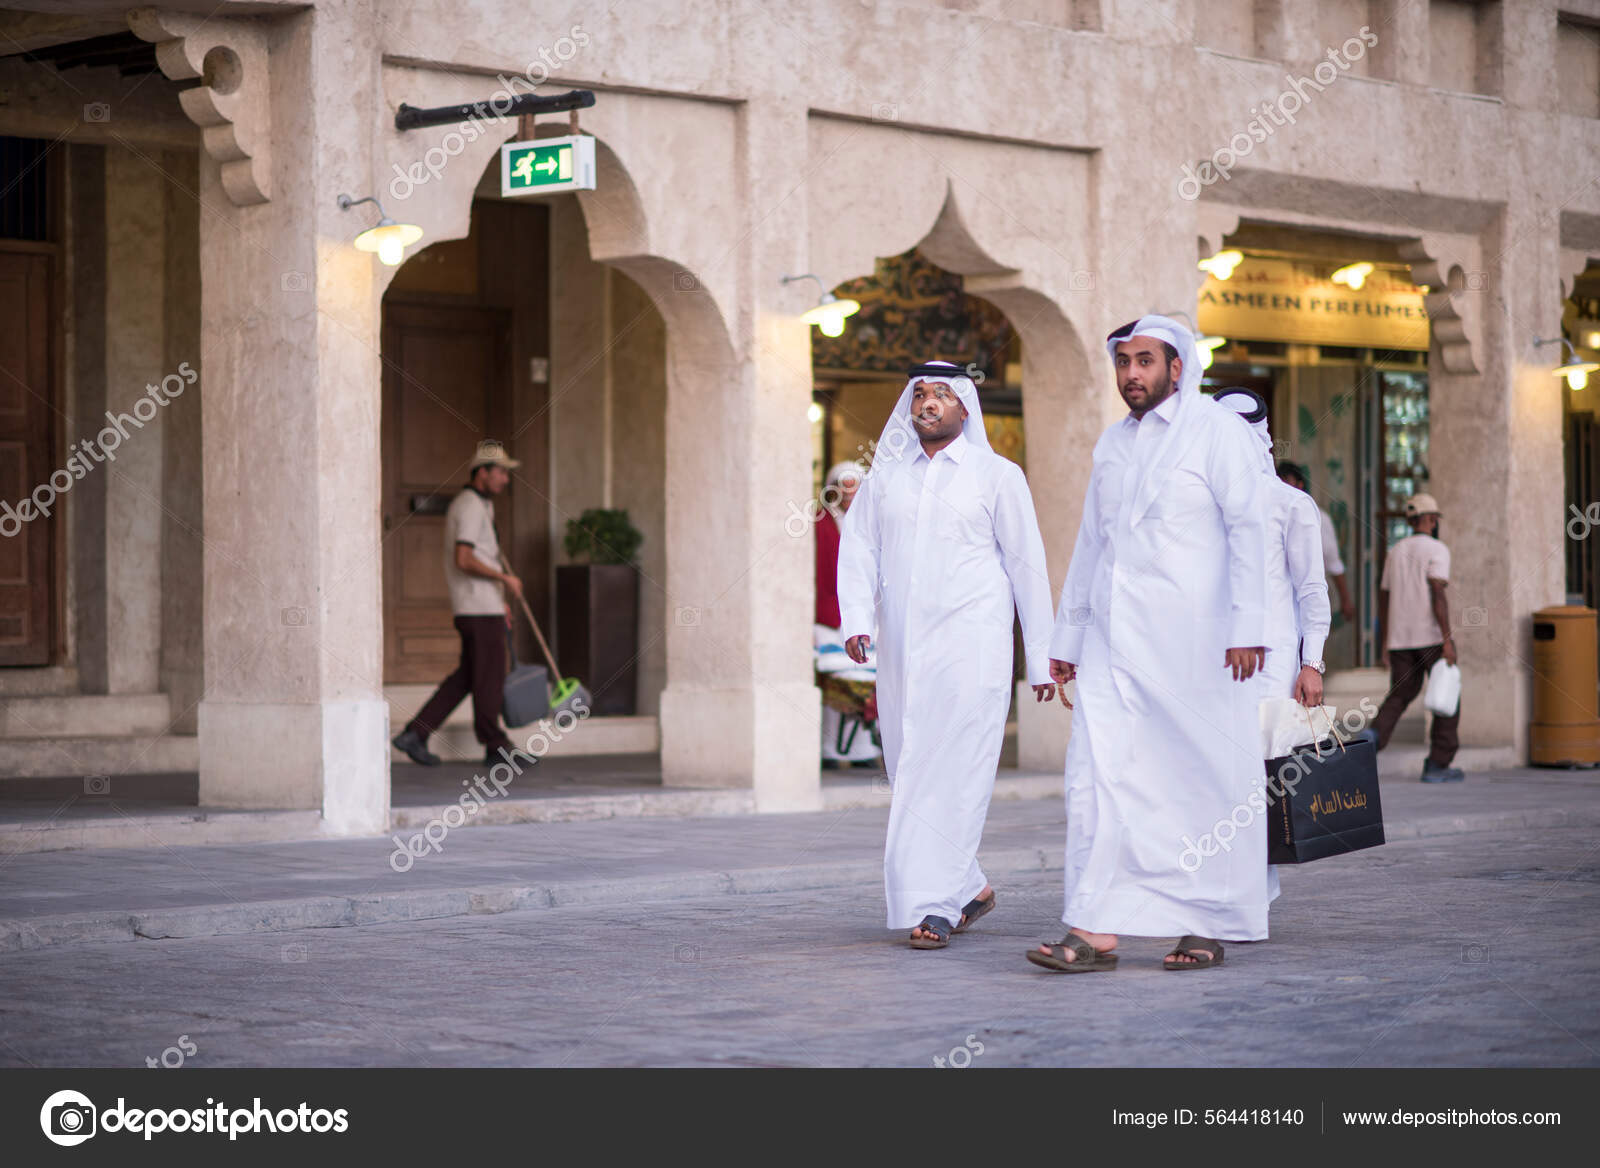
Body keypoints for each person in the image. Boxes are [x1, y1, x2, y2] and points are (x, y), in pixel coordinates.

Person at [1029, 315, 1268, 975]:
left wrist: (1248, 628)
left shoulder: (1217, 432)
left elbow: (1250, 529)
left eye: (1144, 361)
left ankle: (1205, 922)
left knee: (1196, 781)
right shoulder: (1112, 444)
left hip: (1198, 643)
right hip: (1112, 643)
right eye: (1123, 362)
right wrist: (1068, 635)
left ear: (1176, 367)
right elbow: (1091, 543)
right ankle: (1094, 927)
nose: (1131, 374)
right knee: (1096, 779)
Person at [837, 361, 1057, 950]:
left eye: (940, 395)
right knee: (911, 768)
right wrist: (856, 620)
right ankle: (971, 887)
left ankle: (935, 905)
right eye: (919, 395)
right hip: (903, 651)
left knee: (956, 770)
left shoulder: (997, 476)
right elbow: (859, 549)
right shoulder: (886, 478)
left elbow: (1027, 566)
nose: (927, 404)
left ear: (964, 405)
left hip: (973, 648)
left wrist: (1042, 656)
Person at [391, 439, 526, 768]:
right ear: (482, 472)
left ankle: (415, 734)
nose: (505, 479)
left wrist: (500, 599)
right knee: (490, 676)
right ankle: (495, 745)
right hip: (477, 608)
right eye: (500, 472)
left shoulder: (481, 505)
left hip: (484, 605)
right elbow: (464, 559)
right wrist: (504, 579)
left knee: (468, 676)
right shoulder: (469, 506)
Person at [1219, 393, 1330, 706]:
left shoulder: (1291, 504)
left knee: (1269, 737)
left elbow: (1311, 589)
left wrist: (1311, 664)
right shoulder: (1199, 503)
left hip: (1271, 668)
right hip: (1208, 663)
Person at [1372, 493, 1463, 782]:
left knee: (1399, 695)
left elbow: (1383, 598)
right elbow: (1438, 594)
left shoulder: (1395, 551)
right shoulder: (1437, 549)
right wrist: (1447, 640)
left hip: (1400, 640)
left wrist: (1385, 642)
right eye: (1435, 518)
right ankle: (1438, 764)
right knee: (1447, 696)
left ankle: (1372, 739)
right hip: (1431, 638)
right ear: (1431, 519)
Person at [814, 461, 880, 769]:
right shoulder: (820, 524)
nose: (849, 493)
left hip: (866, 615)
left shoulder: (873, 523)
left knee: (865, 680)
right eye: (844, 486)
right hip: (829, 617)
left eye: (855, 487)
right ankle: (830, 749)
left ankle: (861, 750)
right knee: (834, 684)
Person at [1277, 460, 1355, 625]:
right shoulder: (1268, 516)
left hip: (1304, 604)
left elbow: (1333, 562)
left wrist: (1345, 600)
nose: (1282, 486)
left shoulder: (1318, 518)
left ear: (1300, 485)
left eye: (1287, 480)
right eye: (1279, 481)